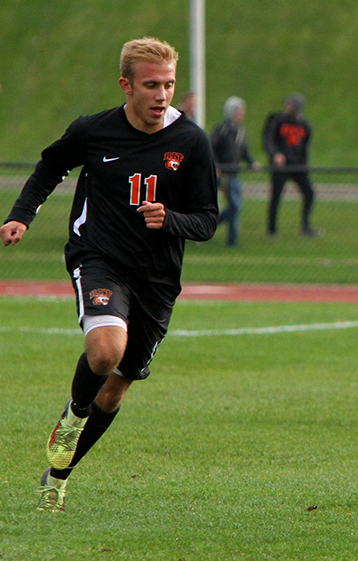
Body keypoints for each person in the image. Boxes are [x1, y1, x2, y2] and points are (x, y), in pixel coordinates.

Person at [1, 37, 218, 512]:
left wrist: (172, 220)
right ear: (126, 85)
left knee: (116, 388)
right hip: (99, 257)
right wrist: (22, 215)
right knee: (104, 351)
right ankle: (75, 413)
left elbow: (207, 219)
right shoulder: (94, 131)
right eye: (151, 85)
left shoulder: (191, 142)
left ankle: (58, 476)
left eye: (169, 85)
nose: (162, 95)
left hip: (158, 281)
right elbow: (49, 167)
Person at [263, 93, 319, 237]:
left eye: (290, 105)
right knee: (276, 196)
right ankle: (272, 230)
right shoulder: (277, 120)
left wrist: (304, 164)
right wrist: (275, 154)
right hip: (281, 165)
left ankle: (305, 226)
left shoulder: (304, 125)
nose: (287, 107)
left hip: (297, 165)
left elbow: (305, 147)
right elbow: (269, 140)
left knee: (309, 193)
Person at [210, 96, 260, 246]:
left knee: (235, 207)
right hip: (224, 174)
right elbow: (211, 148)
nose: (241, 115)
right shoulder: (222, 129)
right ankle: (215, 227)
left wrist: (252, 162)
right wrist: (216, 166)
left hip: (235, 174)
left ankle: (231, 239)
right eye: (238, 112)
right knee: (235, 206)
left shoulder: (241, 130)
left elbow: (243, 150)